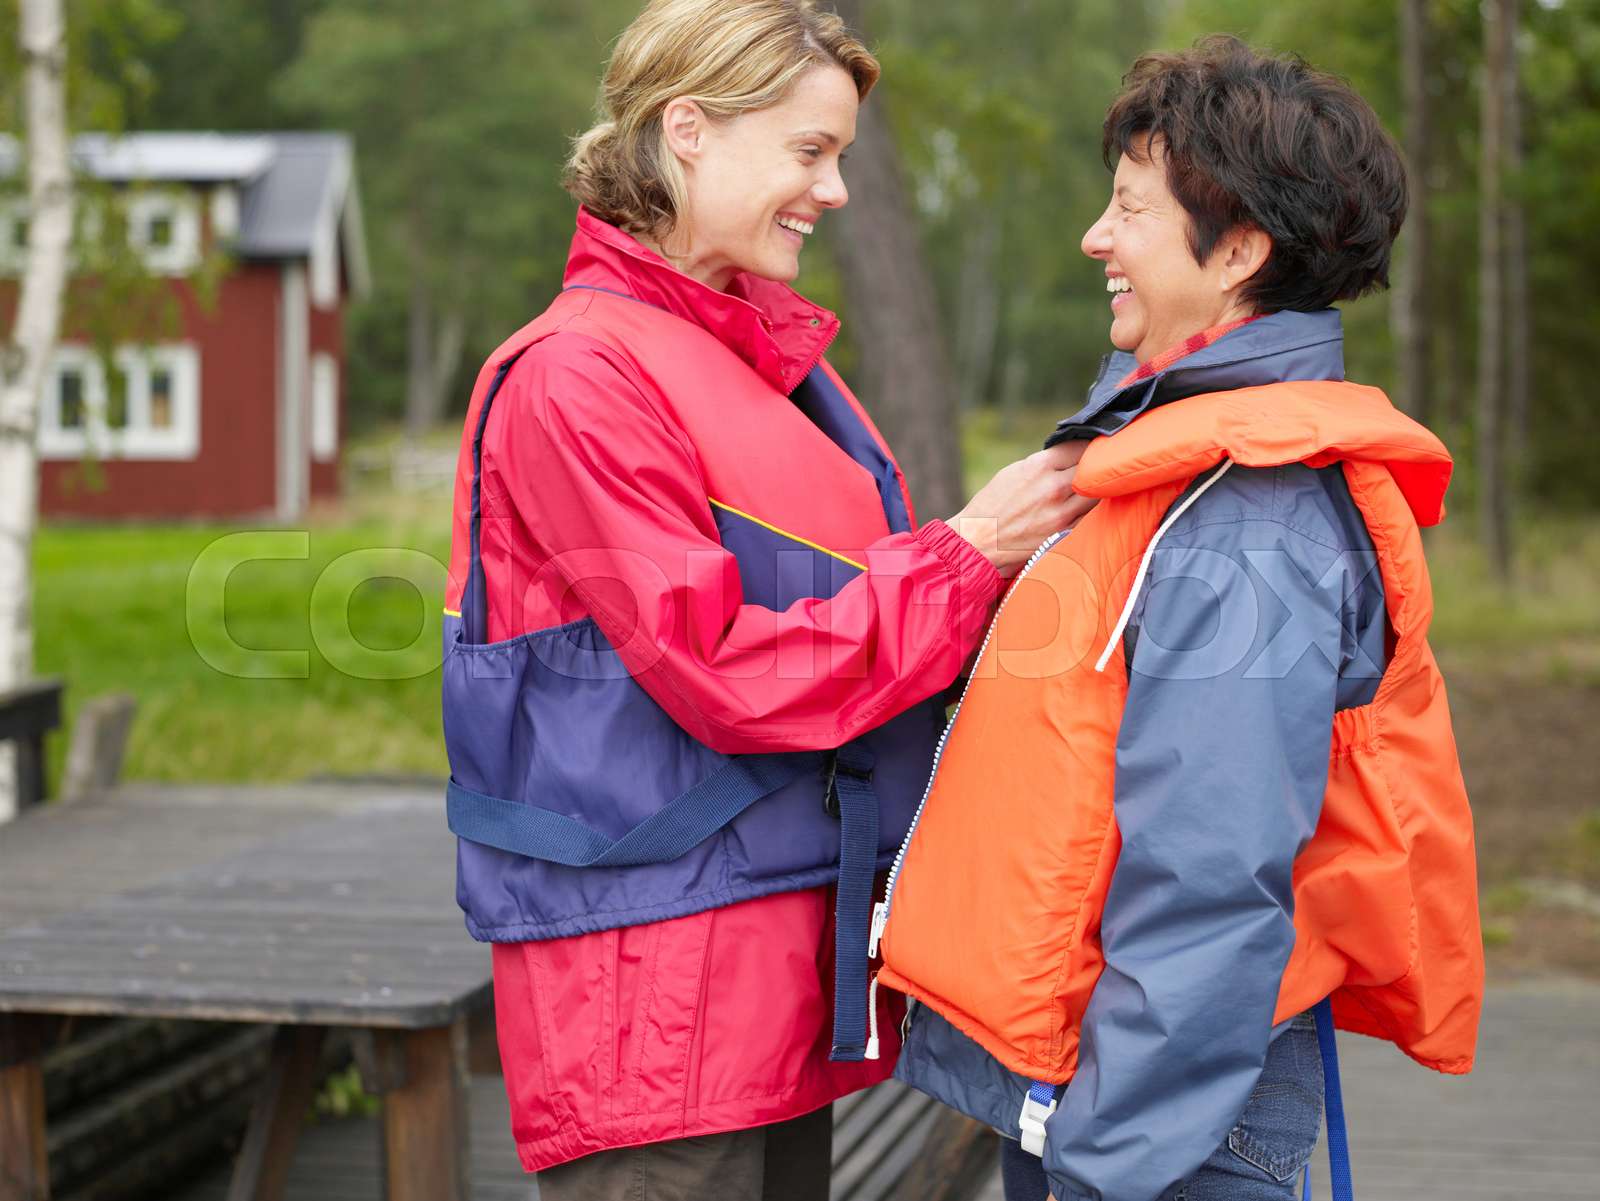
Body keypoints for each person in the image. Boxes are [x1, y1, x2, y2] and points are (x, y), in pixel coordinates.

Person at [437, 2, 1094, 1198]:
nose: (831, 189)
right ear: (686, 129)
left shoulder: (766, 366)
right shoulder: (575, 378)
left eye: (837, 155)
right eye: (809, 151)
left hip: (772, 984)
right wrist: (967, 550)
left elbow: (853, 632)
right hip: (648, 1010)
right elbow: (727, 667)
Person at [873, 36, 1484, 1201]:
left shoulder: (1249, 515)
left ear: (1238, 251)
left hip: (1162, 1125)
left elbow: (1211, 877)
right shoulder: (1163, 470)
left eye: (1130, 211)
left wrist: (1107, 1164)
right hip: (1112, 1086)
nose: (1098, 239)